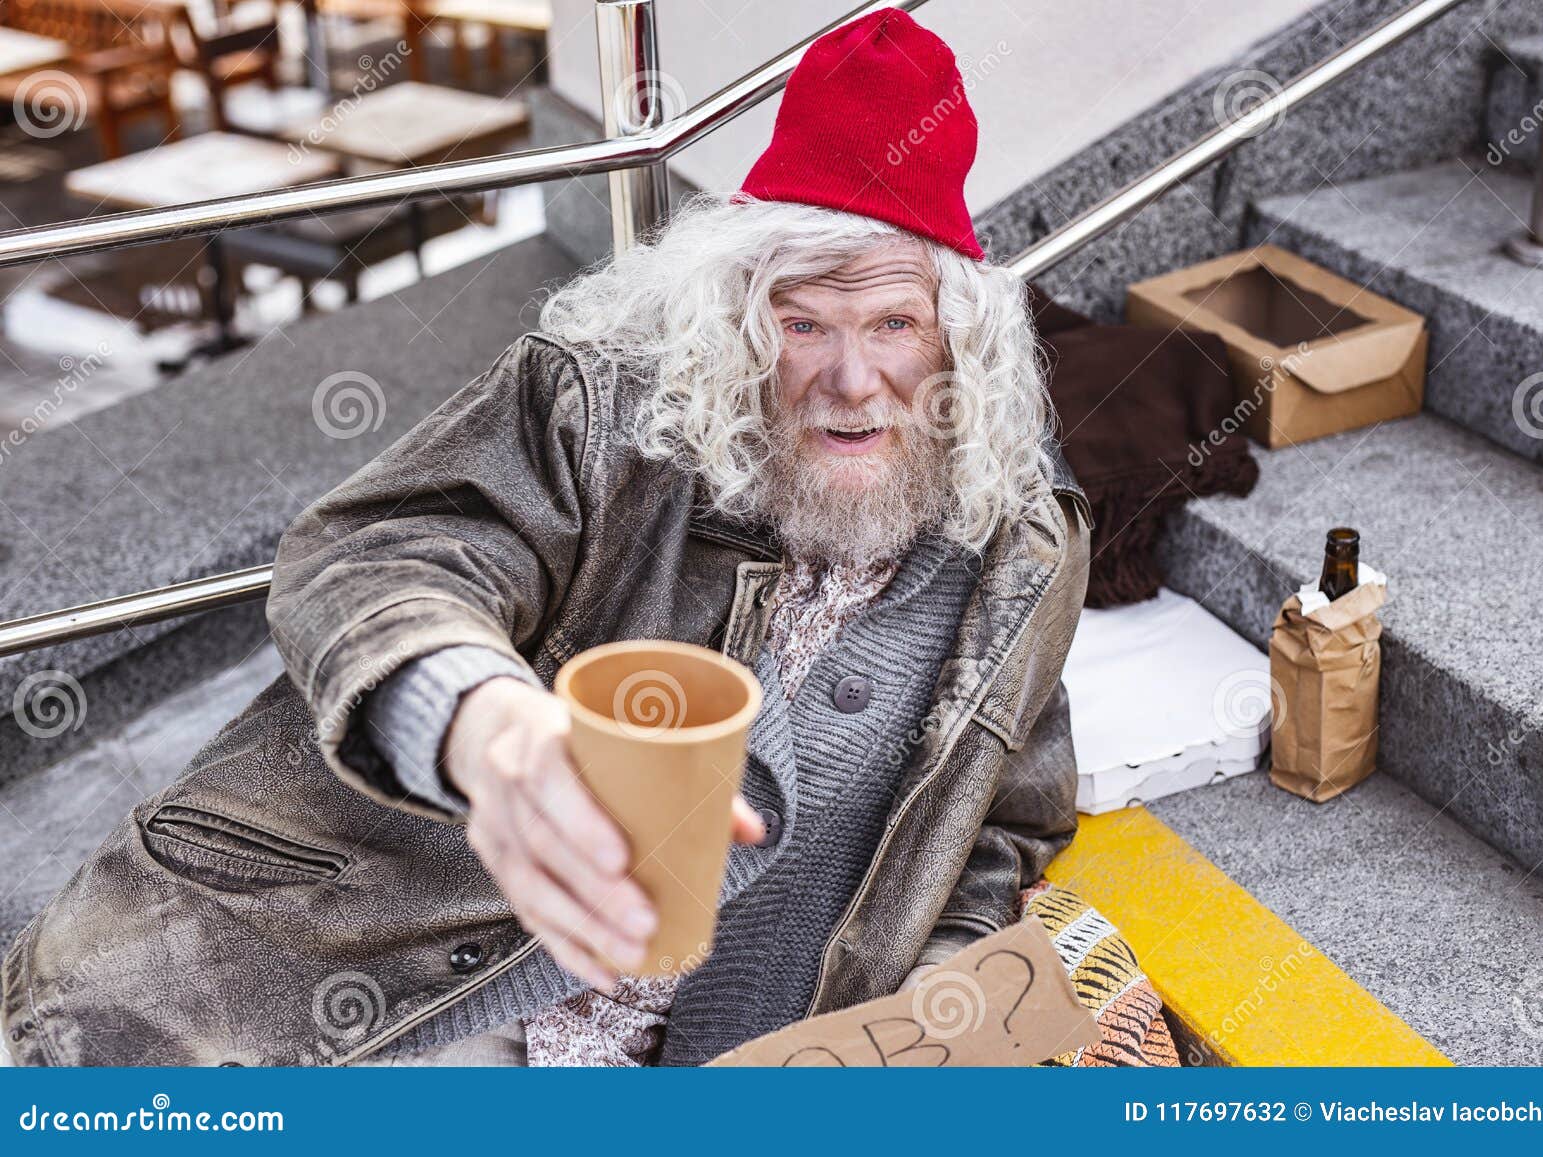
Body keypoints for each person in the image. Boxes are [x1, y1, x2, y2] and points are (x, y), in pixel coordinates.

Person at [2, 10, 1168, 1067]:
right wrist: (481, 725)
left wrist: (926, 1011)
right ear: (740, 321)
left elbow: (998, 821)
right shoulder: (606, 407)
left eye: (894, 322)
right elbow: (383, 555)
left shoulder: (1020, 548)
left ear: (957, 338)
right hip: (394, 995)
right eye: (804, 320)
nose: (852, 378)